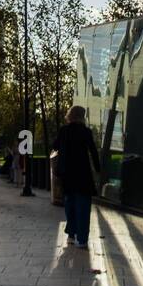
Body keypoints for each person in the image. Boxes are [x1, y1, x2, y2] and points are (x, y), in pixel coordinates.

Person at [56, 106, 102, 248]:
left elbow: (54, 145)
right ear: (82, 116)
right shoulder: (86, 132)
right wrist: (98, 169)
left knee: (70, 203)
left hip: (67, 173)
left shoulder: (64, 131)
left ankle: (71, 233)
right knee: (83, 206)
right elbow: (93, 151)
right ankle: (82, 239)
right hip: (82, 173)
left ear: (70, 115)